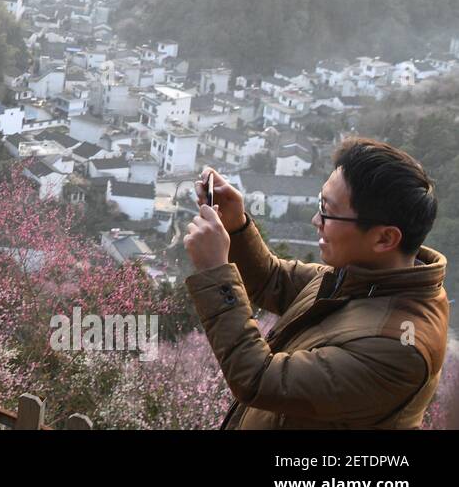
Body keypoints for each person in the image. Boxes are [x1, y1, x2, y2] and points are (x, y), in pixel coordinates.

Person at [184, 137, 448, 429]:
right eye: (320, 203)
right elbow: (274, 280)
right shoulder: (367, 278)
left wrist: (215, 270)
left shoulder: (398, 350)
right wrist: (235, 226)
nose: (315, 220)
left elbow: (258, 378)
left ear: (384, 238)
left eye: (327, 210)